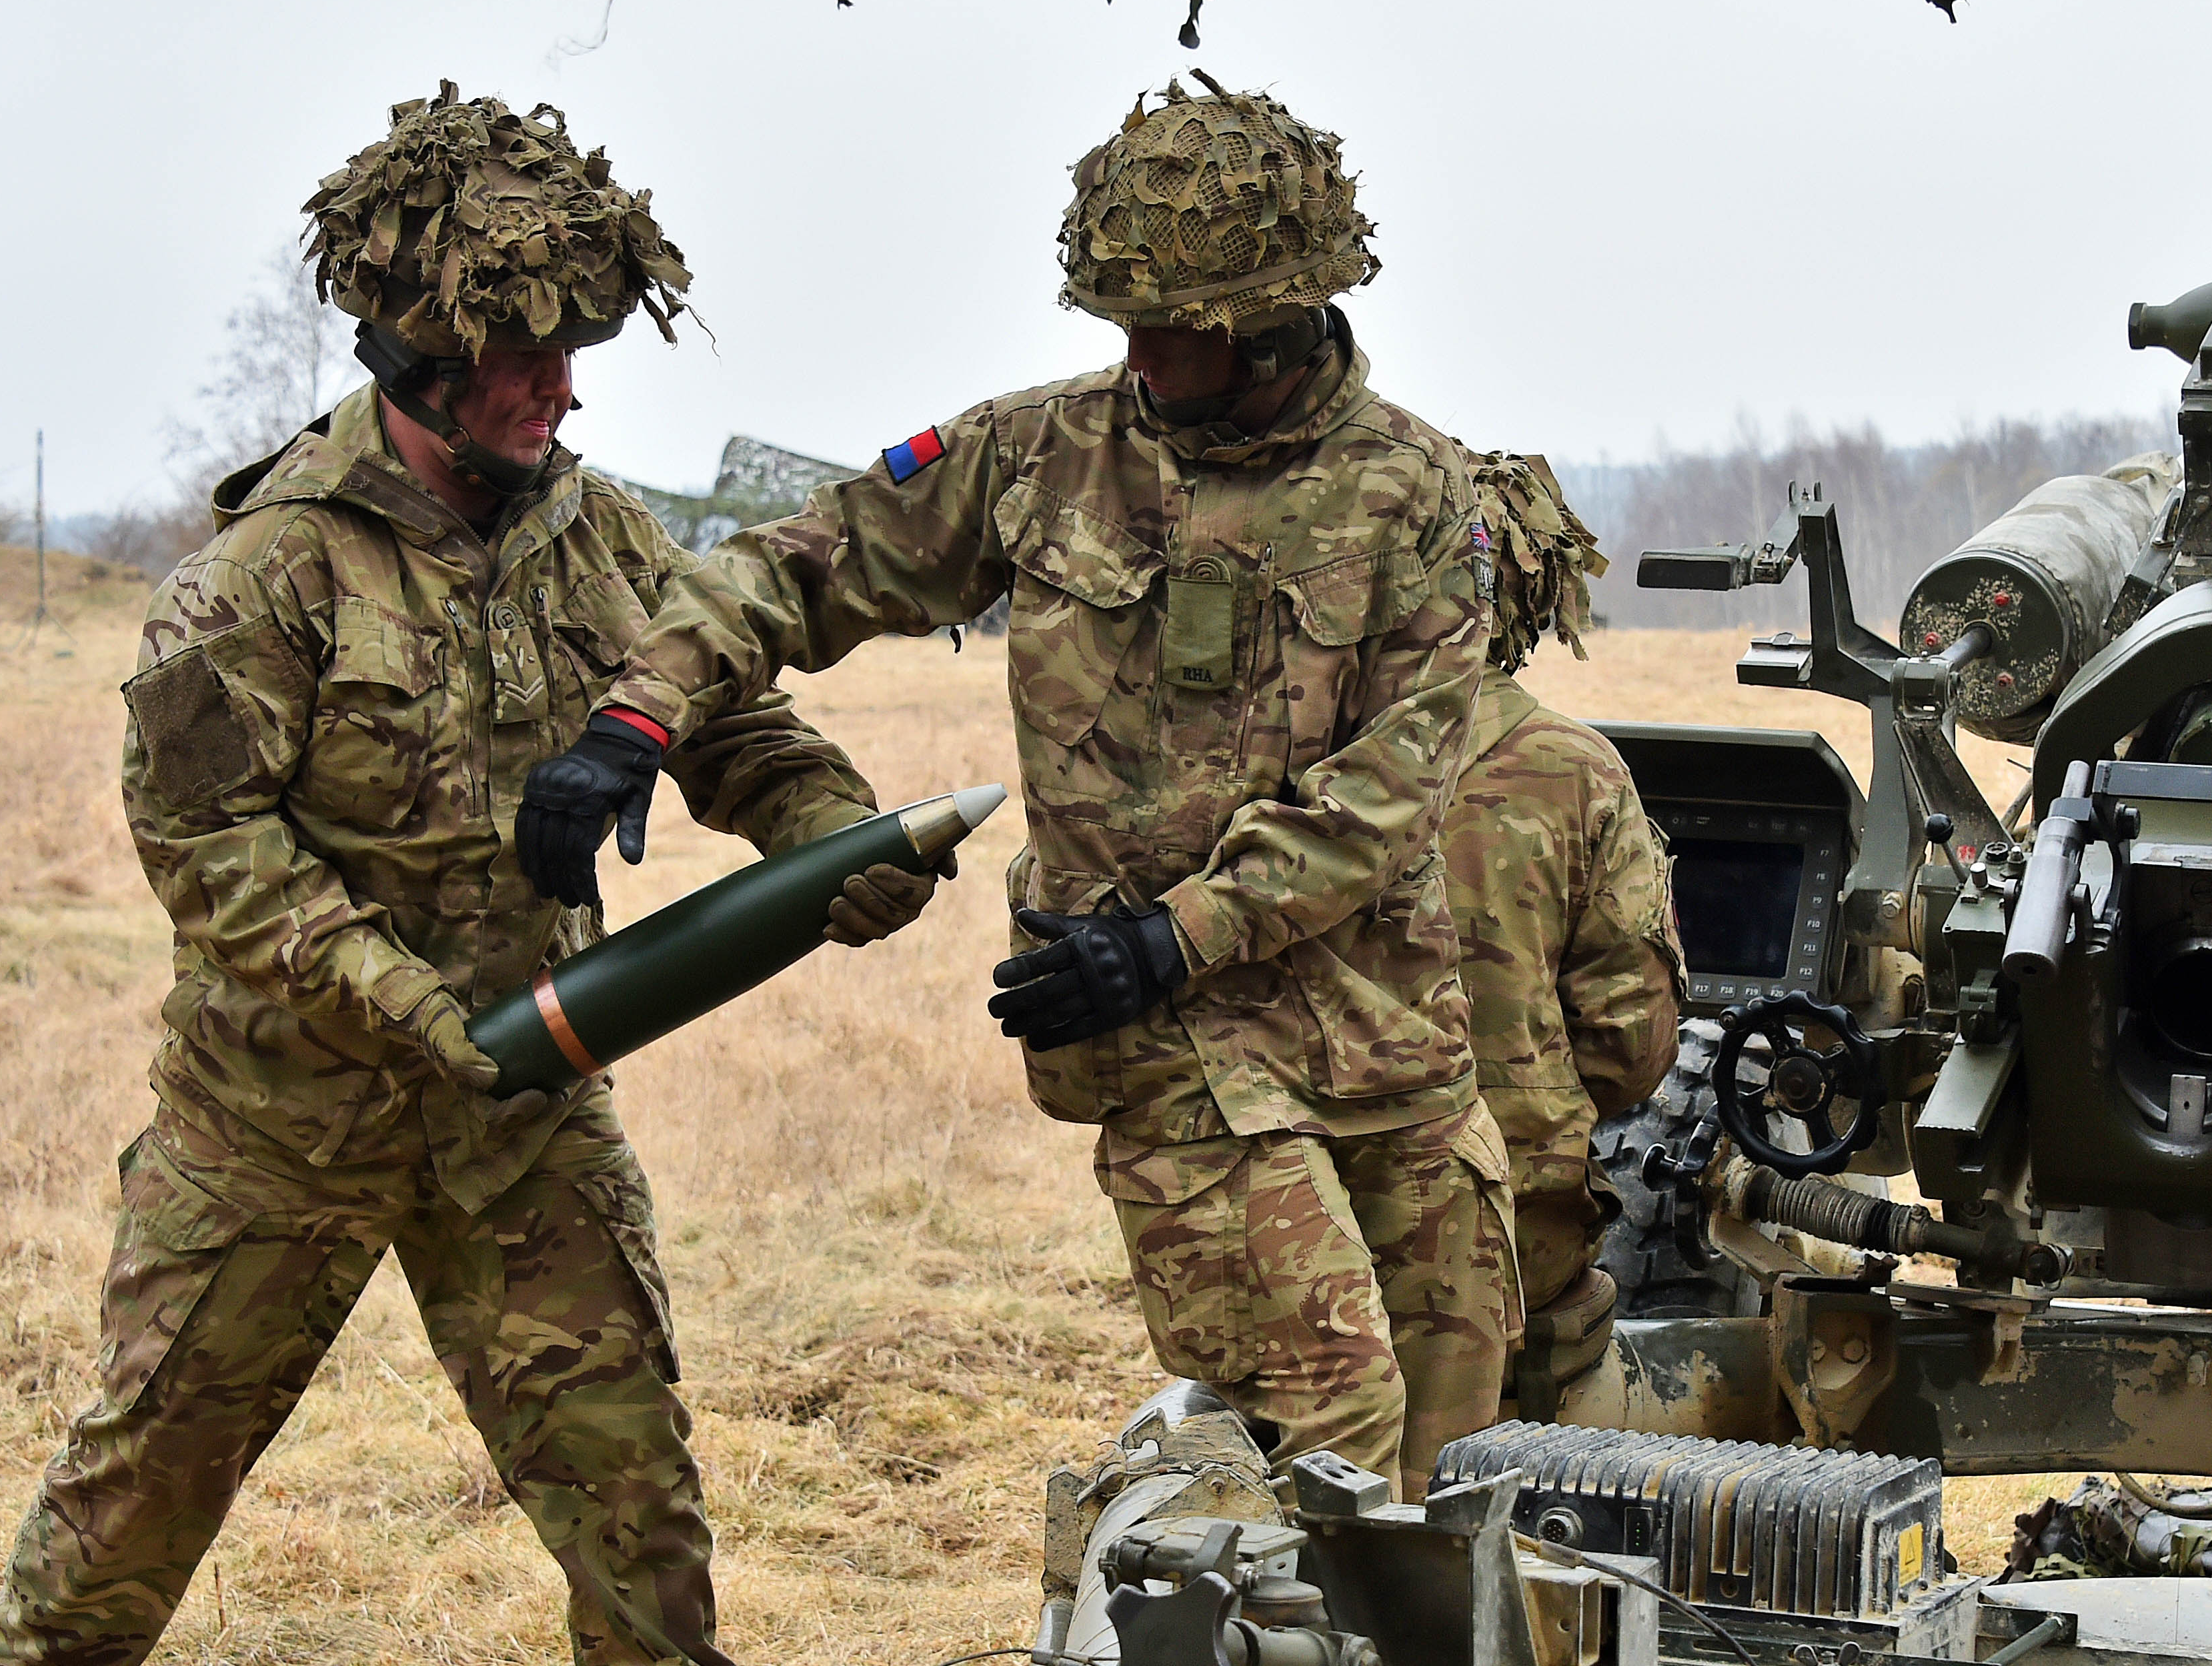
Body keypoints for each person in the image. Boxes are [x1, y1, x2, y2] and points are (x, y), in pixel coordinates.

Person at [0, 86, 952, 1666]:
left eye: (578, 350)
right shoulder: (261, 572)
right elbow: (211, 854)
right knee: (134, 1499)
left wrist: (832, 833)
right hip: (276, 1131)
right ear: (425, 354)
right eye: (530, 356)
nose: (565, 391)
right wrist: (414, 1009)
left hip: (523, 1115)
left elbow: (728, 718)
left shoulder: (593, 538)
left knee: (628, 1472)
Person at [515, 79, 1519, 1500]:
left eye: (1170, 326)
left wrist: (1178, 930)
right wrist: (639, 712)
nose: (1138, 355)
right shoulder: (1042, 452)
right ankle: (1266, 1652)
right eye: (1120, 319)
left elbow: (1392, 788)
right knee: (1328, 1428)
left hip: (1388, 1045)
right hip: (1166, 1045)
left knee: (1460, 1458)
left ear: (1274, 319)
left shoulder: (1417, 493)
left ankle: (1394, 1659)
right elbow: (798, 566)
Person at [1440, 454, 1683, 1415]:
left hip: (1281, 1244)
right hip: (1502, 1249)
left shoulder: (1255, 750)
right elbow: (1628, 1050)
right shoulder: (1573, 773)